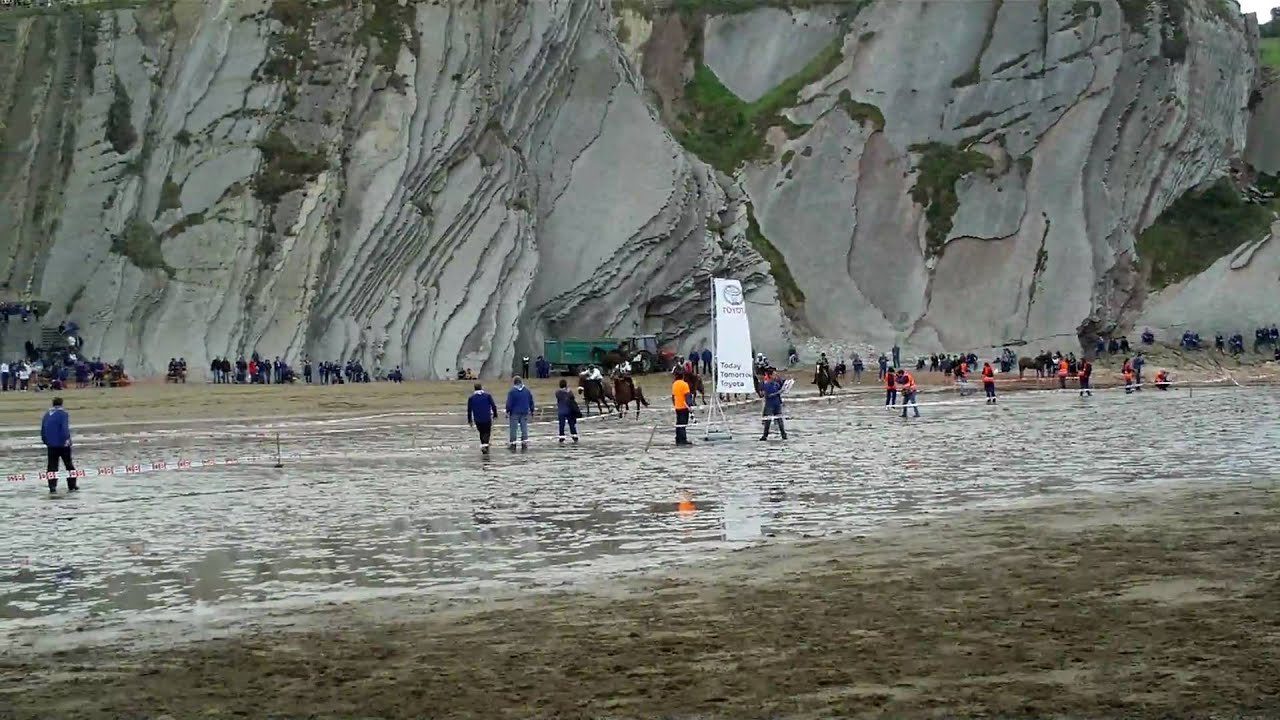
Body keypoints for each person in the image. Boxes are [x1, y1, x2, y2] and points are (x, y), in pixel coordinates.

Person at [41, 397, 76, 494]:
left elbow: (43, 428)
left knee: (52, 466)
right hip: (63, 444)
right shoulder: (63, 414)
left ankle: (52, 487)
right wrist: (67, 440)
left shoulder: (47, 414)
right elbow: (64, 428)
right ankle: (72, 485)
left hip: (51, 444)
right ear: (61, 404)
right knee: (69, 465)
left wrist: (45, 441)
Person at [466, 383, 498, 454]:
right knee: (487, 432)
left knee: (481, 432)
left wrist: (470, 420)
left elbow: (469, 410)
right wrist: (495, 415)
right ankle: (485, 446)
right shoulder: (487, 396)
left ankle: (484, 445)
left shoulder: (471, 398)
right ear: (481, 388)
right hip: (487, 418)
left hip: (478, 419)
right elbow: (493, 406)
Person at [505, 376, 535, 450]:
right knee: (524, 427)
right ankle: (524, 441)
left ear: (514, 383)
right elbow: (531, 401)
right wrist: (532, 410)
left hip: (514, 412)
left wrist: (507, 411)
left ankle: (513, 442)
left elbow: (509, 403)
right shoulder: (527, 391)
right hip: (524, 411)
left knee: (513, 428)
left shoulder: (512, 392)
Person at [759, 370, 787, 441]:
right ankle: (765, 436)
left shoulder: (776, 384)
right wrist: (778, 392)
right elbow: (768, 395)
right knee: (768, 421)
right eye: (774, 375)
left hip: (777, 404)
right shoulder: (767, 385)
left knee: (780, 420)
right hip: (770, 405)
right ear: (770, 376)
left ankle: (784, 435)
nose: (776, 376)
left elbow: (780, 391)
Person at [555, 379, 580, 443]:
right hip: (569, 411)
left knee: (561, 425)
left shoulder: (558, 392)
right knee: (571, 424)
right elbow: (572, 399)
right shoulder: (569, 392)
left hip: (561, 411)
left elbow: (558, 398)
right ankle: (574, 436)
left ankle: (561, 437)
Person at [672, 371, 692, 446]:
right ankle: (683, 440)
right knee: (683, 424)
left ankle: (678, 439)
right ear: (683, 376)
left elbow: (673, 396)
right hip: (684, 407)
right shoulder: (685, 384)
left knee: (678, 423)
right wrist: (689, 406)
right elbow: (687, 396)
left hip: (677, 407)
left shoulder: (674, 384)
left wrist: (674, 404)